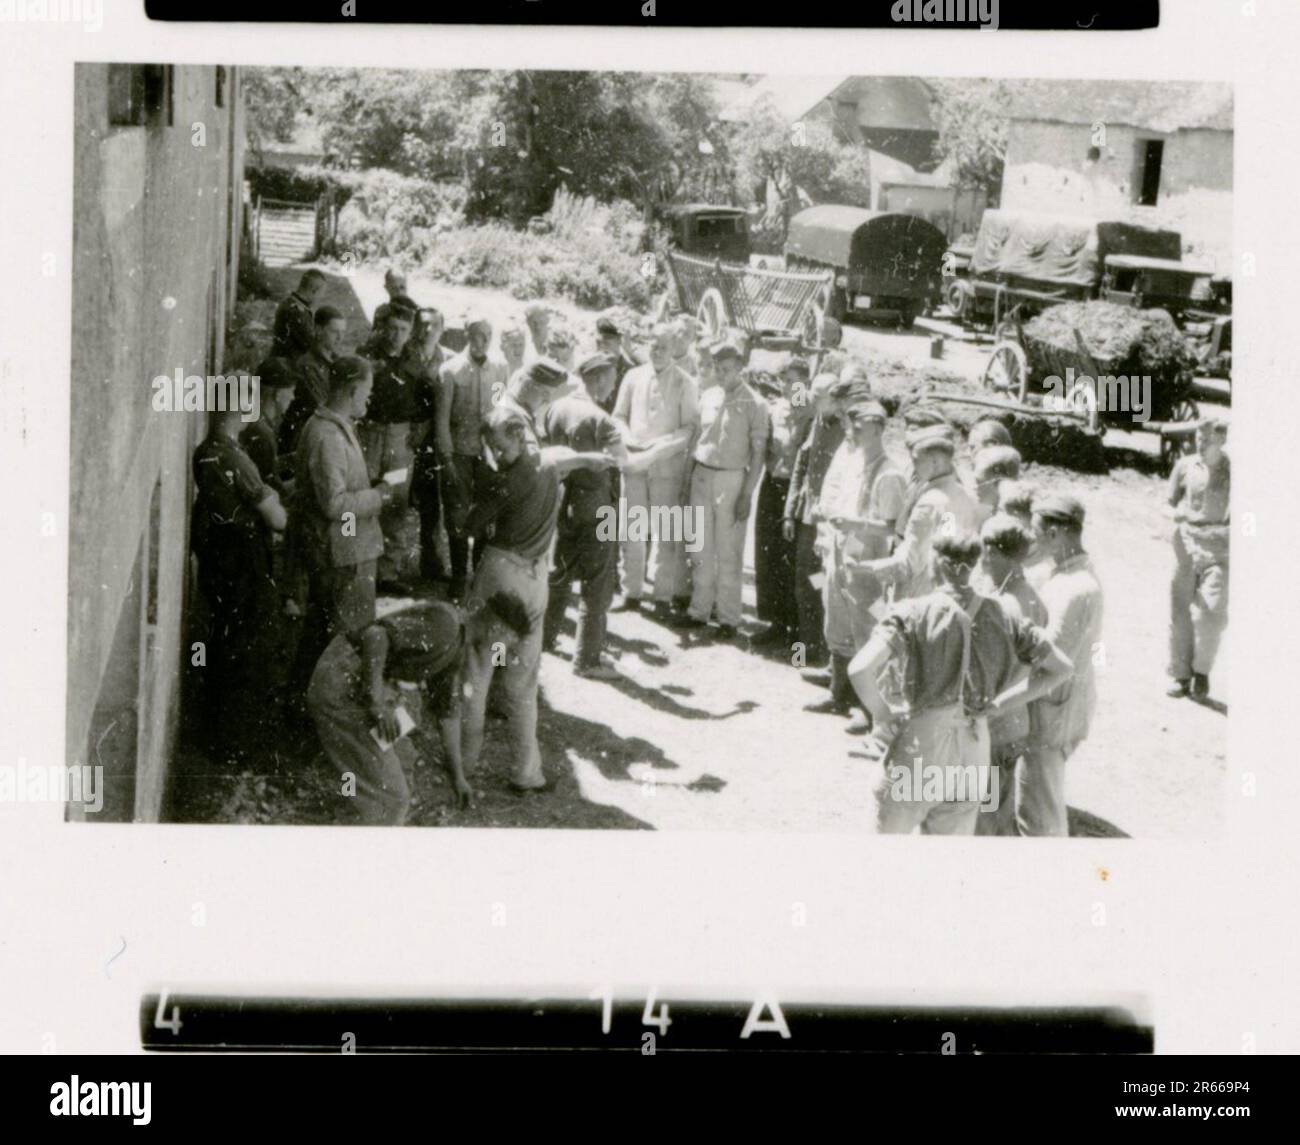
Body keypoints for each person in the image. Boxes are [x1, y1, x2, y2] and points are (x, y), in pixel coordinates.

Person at [850, 533, 1072, 836]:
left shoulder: (913, 611)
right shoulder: (1007, 614)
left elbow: (860, 668)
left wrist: (884, 712)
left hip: (924, 743)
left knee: (885, 842)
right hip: (975, 744)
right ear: (974, 566)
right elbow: (1060, 668)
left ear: (938, 564)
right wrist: (1000, 704)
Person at [460, 407, 613, 793]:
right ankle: (527, 773)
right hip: (534, 582)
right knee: (523, 682)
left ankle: (463, 766)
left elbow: (469, 525)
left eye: (501, 447)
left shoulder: (506, 482)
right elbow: (592, 460)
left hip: (500, 578)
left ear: (518, 436)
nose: (498, 455)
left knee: (479, 671)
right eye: (493, 449)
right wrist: (609, 457)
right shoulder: (552, 461)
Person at [308, 593, 532, 825]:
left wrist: (458, 778)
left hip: (355, 682)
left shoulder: (457, 645)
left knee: (404, 761)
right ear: (496, 628)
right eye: (507, 642)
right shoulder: (446, 626)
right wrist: (377, 703)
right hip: (339, 682)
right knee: (393, 798)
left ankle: (358, 814)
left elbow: (448, 714)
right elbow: (376, 636)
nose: (502, 651)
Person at [294, 356, 403, 685]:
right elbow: (334, 504)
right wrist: (380, 496)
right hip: (344, 553)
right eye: (367, 390)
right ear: (353, 390)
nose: (370, 397)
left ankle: (304, 701)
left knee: (322, 632)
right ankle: (320, 705)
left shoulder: (332, 426)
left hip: (345, 549)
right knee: (340, 638)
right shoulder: (329, 435)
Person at [191, 406, 288, 765]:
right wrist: (273, 501)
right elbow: (276, 517)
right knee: (247, 652)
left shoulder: (206, 450)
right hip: (243, 569)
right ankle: (237, 743)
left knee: (223, 647)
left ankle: (218, 737)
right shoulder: (233, 456)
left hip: (220, 567)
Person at [814, 397, 907, 726]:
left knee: (865, 627)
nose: (851, 432)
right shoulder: (854, 462)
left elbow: (894, 528)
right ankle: (836, 692)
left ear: (879, 429)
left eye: (860, 427)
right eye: (850, 426)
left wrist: (856, 526)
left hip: (869, 558)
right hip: (842, 551)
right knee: (836, 618)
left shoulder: (889, 474)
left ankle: (865, 708)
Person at [1021, 494, 1104, 837]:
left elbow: (1050, 659)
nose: (1032, 540)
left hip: (1054, 708)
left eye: (1037, 533)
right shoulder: (1066, 574)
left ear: (1055, 534)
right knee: (1035, 795)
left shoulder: (1077, 588)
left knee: (1042, 811)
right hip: (1052, 703)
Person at [541, 352, 629, 677]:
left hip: (564, 501)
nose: (612, 389)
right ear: (600, 378)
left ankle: (546, 639)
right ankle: (587, 660)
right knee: (597, 584)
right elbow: (626, 461)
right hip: (597, 506)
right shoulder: (600, 419)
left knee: (560, 575)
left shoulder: (556, 407)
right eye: (611, 381)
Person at [681, 342, 769, 639]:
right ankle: (699, 610)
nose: (721, 374)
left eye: (727, 369)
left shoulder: (755, 403)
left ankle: (729, 618)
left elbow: (758, 455)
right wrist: (688, 478)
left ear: (740, 367)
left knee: (729, 550)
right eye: (717, 368)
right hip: (703, 475)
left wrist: (747, 493)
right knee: (699, 547)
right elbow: (696, 440)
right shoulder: (708, 396)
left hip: (732, 480)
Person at [612, 323, 700, 616]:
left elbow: (688, 429)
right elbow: (619, 416)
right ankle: (631, 592)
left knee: (666, 536)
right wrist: (629, 442)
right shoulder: (633, 376)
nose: (658, 351)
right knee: (632, 532)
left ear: (675, 347)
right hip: (634, 464)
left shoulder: (686, 383)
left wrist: (656, 450)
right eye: (654, 345)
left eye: (664, 346)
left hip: (666, 467)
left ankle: (662, 597)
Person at [974, 514, 1048, 836]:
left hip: (994, 725)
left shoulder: (1001, 606)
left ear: (991, 552)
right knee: (998, 808)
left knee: (986, 817)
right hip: (1016, 722)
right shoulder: (1033, 598)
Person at [855, 423, 982, 602]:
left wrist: (864, 568)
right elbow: (946, 540)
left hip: (919, 594)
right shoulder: (962, 493)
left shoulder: (930, 503)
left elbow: (909, 563)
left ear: (935, 462)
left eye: (916, 460)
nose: (913, 467)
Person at [435, 316, 508, 598]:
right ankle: (458, 576)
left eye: (488, 336)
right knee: (457, 513)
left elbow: (502, 410)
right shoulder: (450, 370)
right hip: (459, 453)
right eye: (477, 335)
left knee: (486, 513)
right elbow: (442, 419)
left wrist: (500, 453)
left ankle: (479, 574)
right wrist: (447, 459)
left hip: (487, 454)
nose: (482, 342)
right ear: (467, 335)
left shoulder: (499, 368)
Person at [784, 372, 845, 670]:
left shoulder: (847, 430)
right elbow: (802, 465)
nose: (813, 401)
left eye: (819, 397)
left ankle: (824, 653)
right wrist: (789, 510)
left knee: (823, 585)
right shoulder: (816, 423)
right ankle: (803, 651)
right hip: (808, 516)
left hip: (831, 521)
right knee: (803, 584)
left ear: (834, 398)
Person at [358, 300, 421, 591]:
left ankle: (388, 573)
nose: (396, 335)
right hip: (370, 435)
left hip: (400, 438)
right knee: (364, 495)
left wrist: (417, 433)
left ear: (410, 333)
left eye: (403, 330)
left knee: (396, 501)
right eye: (392, 328)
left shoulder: (414, 360)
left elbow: (425, 400)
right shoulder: (367, 357)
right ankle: (360, 566)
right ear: (384, 328)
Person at [1166, 416, 1230, 700]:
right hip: (1186, 543)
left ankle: (1201, 671)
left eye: (1208, 441)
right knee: (1179, 611)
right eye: (1198, 440)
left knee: (1211, 613)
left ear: (1222, 441)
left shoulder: (1234, 470)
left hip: (1219, 548)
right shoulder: (1184, 466)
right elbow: (1167, 503)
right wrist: (1175, 515)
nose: (1201, 445)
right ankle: (1181, 676)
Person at [754, 355, 812, 648]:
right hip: (772, 485)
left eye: (794, 380)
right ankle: (776, 622)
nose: (789, 386)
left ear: (806, 380)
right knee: (769, 556)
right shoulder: (775, 409)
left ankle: (795, 628)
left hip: (796, 490)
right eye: (784, 381)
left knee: (792, 559)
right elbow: (766, 448)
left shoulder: (810, 412)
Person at [404, 307, 449, 584]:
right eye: (422, 324)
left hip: (432, 439)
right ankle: (388, 566)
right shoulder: (404, 353)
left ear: (442, 328)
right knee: (395, 500)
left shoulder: (446, 360)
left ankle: (430, 565)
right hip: (406, 436)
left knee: (431, 504)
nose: (427, 330)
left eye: (433, 325)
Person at [279, 305, 346, 465]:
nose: (340, 338)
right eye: (334, 332)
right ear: (318, 330)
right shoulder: (307, 365)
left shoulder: (336, 361)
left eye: (343, 333)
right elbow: (323, 406)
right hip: (305, 438)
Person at [240, 357, 296, 494]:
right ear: (278, 394)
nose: (293, 397)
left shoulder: (253, 419)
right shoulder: (262, 432)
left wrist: (293, 460)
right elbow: (274, 491)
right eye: (291, 391)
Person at [271, 268, 326, 360]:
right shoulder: (297, 312)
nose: (321, 298)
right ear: (313, 290)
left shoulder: (289, 302)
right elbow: (311, 345)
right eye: (321, 293)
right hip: (286, 366)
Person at [973, 444, 1023, 522]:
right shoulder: (993, 512)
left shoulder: (1009, 520)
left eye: (978, 482)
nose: (974, 487)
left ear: (998, 483)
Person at [369, 268, 409, 336]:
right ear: (386, 288)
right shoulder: (382, 311)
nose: (399, 292)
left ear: (407, 286)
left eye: (402, 287)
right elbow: (374, 339)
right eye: (394, 288)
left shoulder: (415, 312)